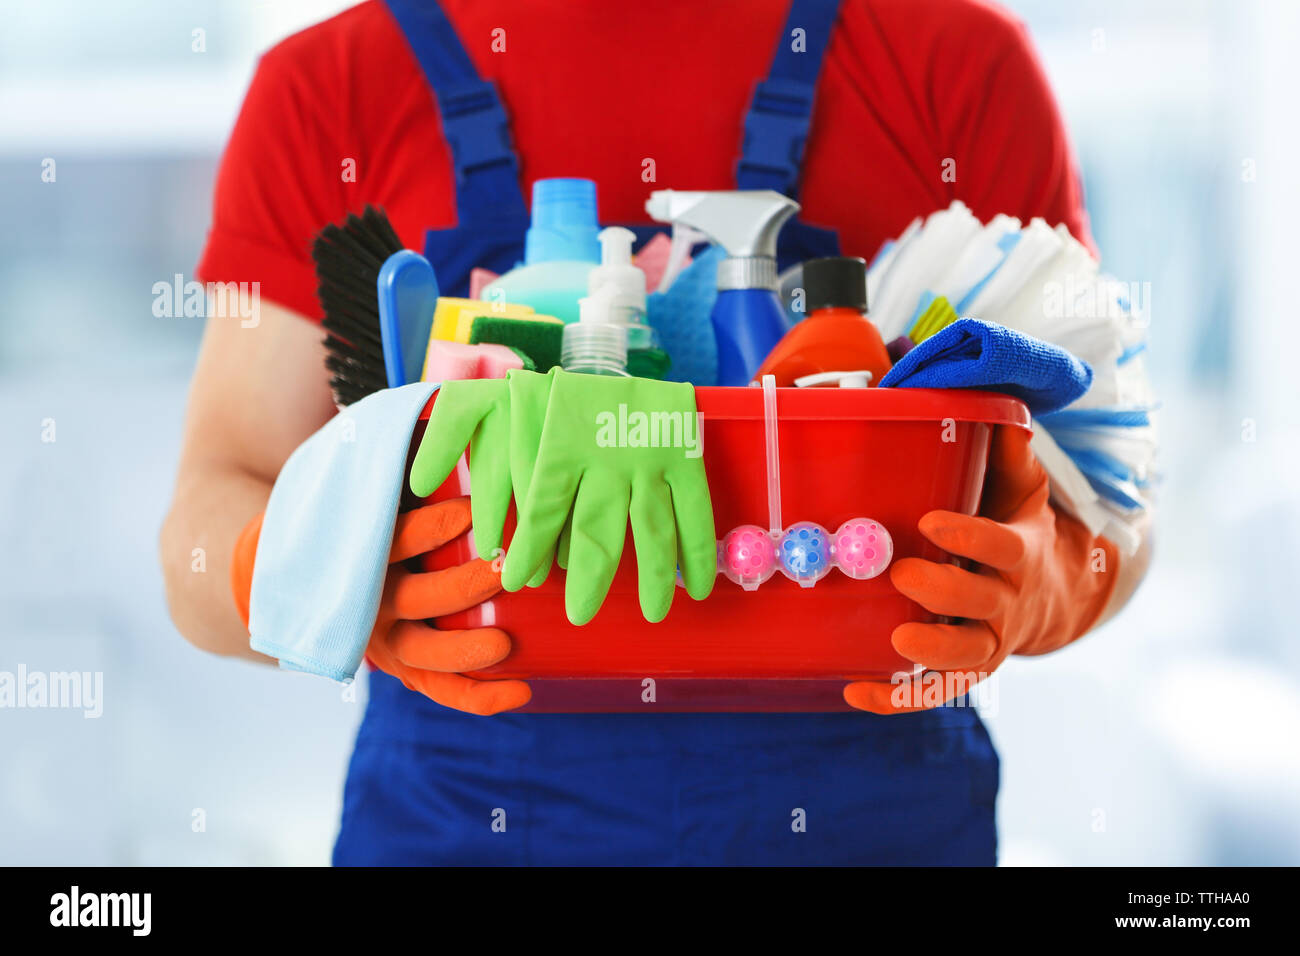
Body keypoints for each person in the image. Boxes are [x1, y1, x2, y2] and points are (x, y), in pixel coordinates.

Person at [161, 0, 1152, 865]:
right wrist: (322, 576)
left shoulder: (956, 62)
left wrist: (1058, 582)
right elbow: (206, 523)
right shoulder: (329, 86)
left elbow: (1119, 504)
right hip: (461, 818)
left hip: (876, 819)